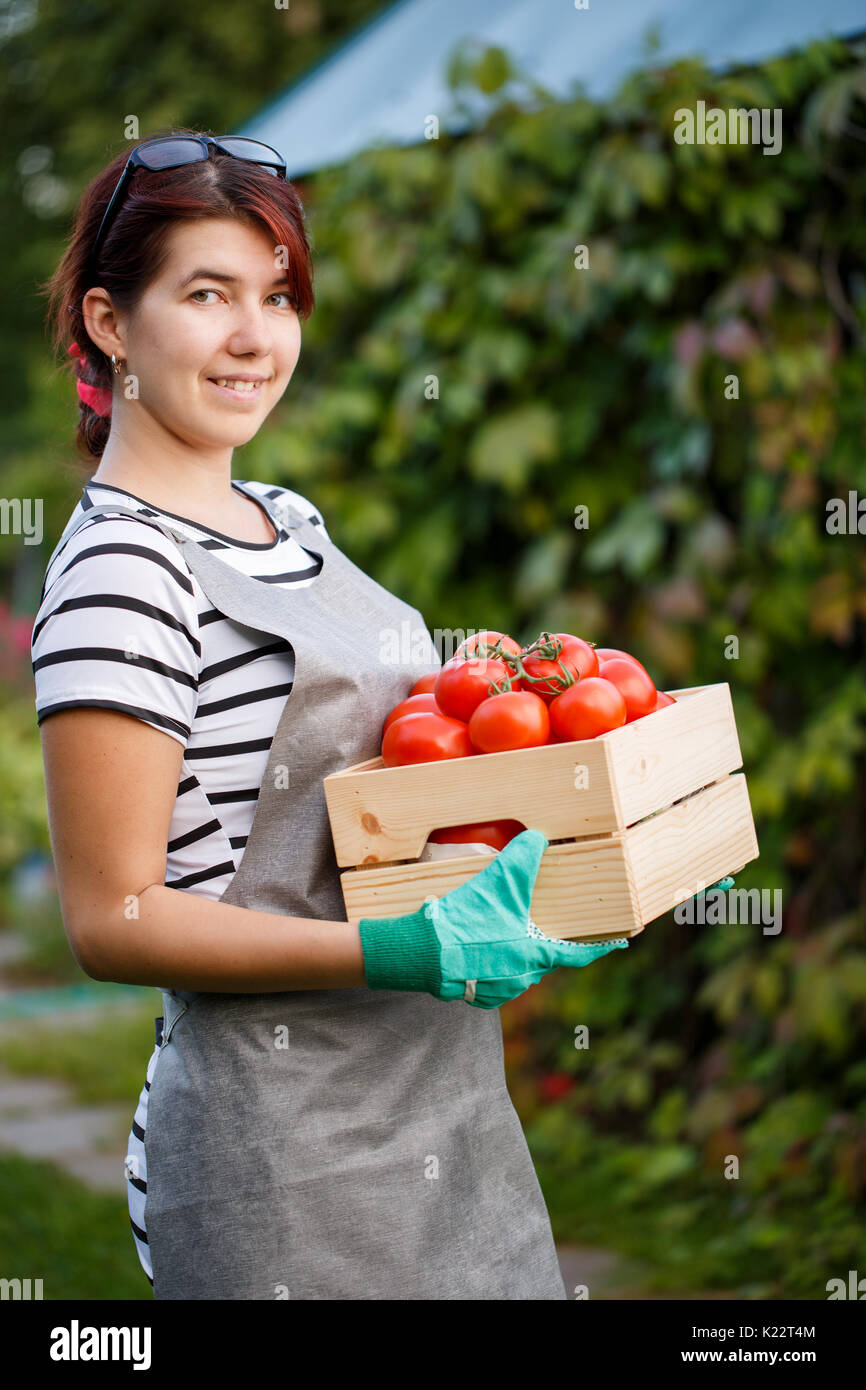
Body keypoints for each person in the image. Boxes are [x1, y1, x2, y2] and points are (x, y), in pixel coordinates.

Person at [32, 128, 628, 1300]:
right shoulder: (122, 574)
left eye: (278, 295)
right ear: (111, 323)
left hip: (443, 1108)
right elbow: (113, 917)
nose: (256, 337)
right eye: (208, 294)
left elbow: (382, 770)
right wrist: (399, 948)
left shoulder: (286, 519)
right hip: (281, 1154)